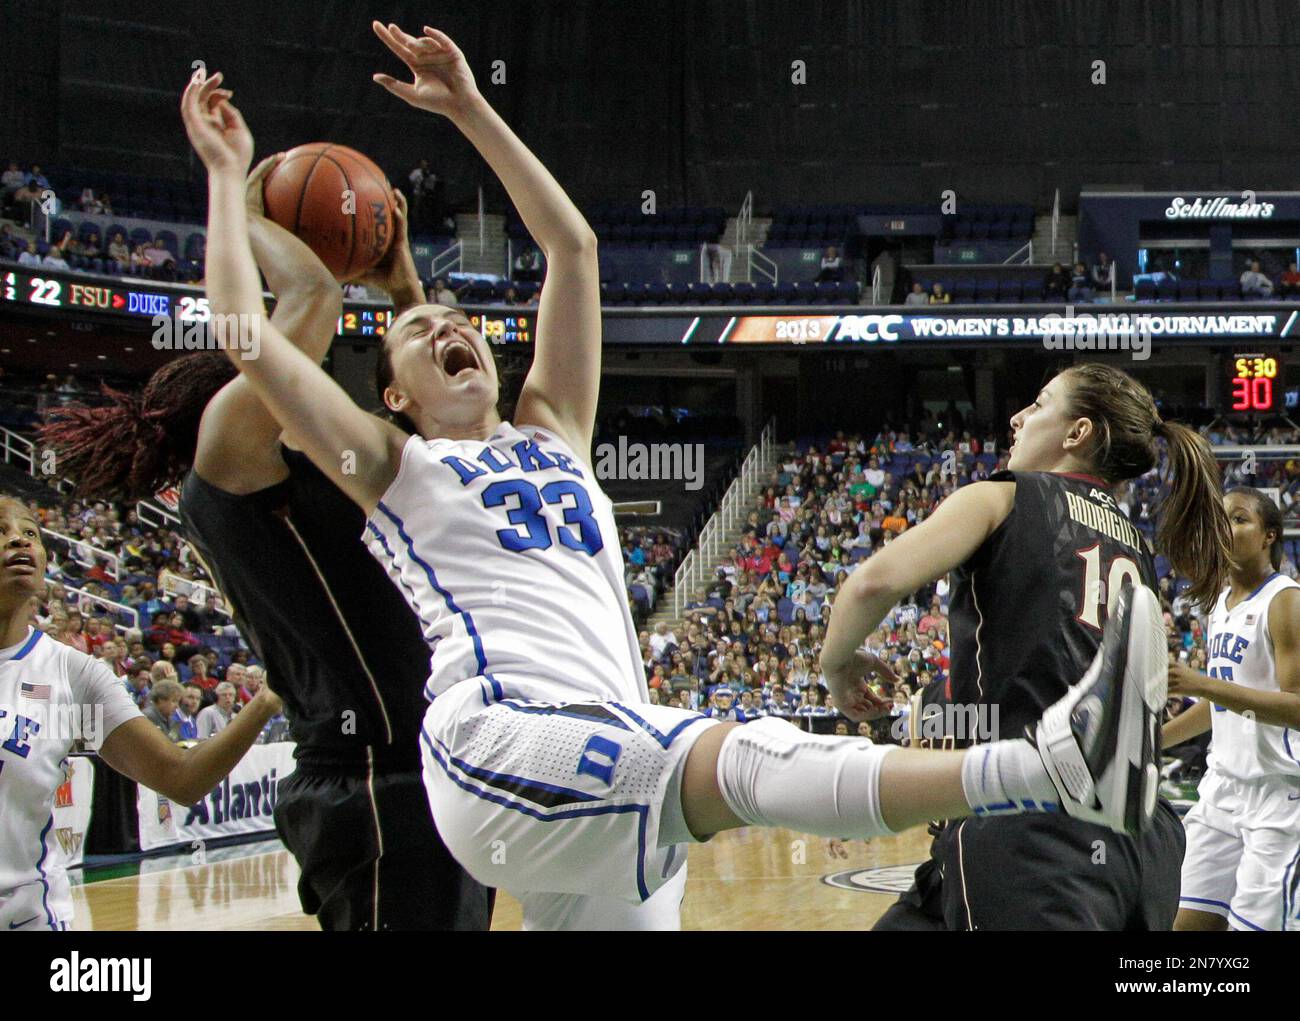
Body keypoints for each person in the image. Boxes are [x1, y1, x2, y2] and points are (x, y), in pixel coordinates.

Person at [183, 21, 1165, 931]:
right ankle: (1043, 769)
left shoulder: (553, 428)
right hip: (496, 743)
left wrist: (468, 108)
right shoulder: (392, 466)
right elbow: (243, 338)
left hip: (608, 747)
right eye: (414, 331)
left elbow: (572, 245)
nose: (443, 325)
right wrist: (230, 180)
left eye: (456, 320)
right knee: (744, 755)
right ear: (389, 396)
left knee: (709, 770)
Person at [43, 95, 491, 935]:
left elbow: (426, 432)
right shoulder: (226, 454)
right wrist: (238, 197)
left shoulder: (288, 468)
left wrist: (402, 289)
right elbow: (307, 297)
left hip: (411, 764)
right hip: (369, 773)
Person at [825, 363, 1228, 931]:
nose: (1017, 417)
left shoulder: (1002, 496)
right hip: (1140, 835)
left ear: (1077, 433)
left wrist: (836, 665)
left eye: (1038, 404)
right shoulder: (1133, 545)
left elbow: (872, 583)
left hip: (1036, 821)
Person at [0, 498, 282, 929]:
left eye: (30, 532)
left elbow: (180, 778)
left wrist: (264, 701)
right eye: (0, 530)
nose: (19, 538)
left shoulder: (72, 673)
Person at [1160, 488, 1300, 932]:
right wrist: (1154, 741)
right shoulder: (1220, 604)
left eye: (1239, 519)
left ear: (1268, 536)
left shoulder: (1285, 600)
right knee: (1186, 924)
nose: (1226, 528)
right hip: (1222, 788)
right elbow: (1220, 702)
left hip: (1278, 795)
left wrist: (1200, 681)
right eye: (1221, 519)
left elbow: (1297, 707)